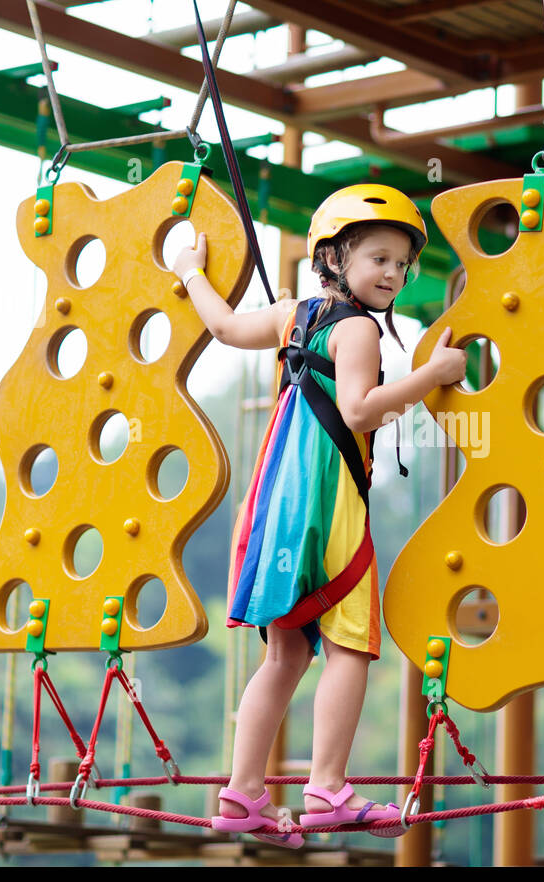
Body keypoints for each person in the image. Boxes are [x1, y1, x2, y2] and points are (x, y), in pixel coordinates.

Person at [170, 184, 467, 846]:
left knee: (283, 655)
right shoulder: (359, 328)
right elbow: (361, 410)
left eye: (400, 264)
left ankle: (243, 796)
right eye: (380, 259)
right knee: (351, 645)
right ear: (335, 259)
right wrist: (433, 371)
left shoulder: (291, 314)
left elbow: (221, 327)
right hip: (326, 502)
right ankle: (327, 786)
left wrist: (191, 272)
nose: (393, 274)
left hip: (276, 502)